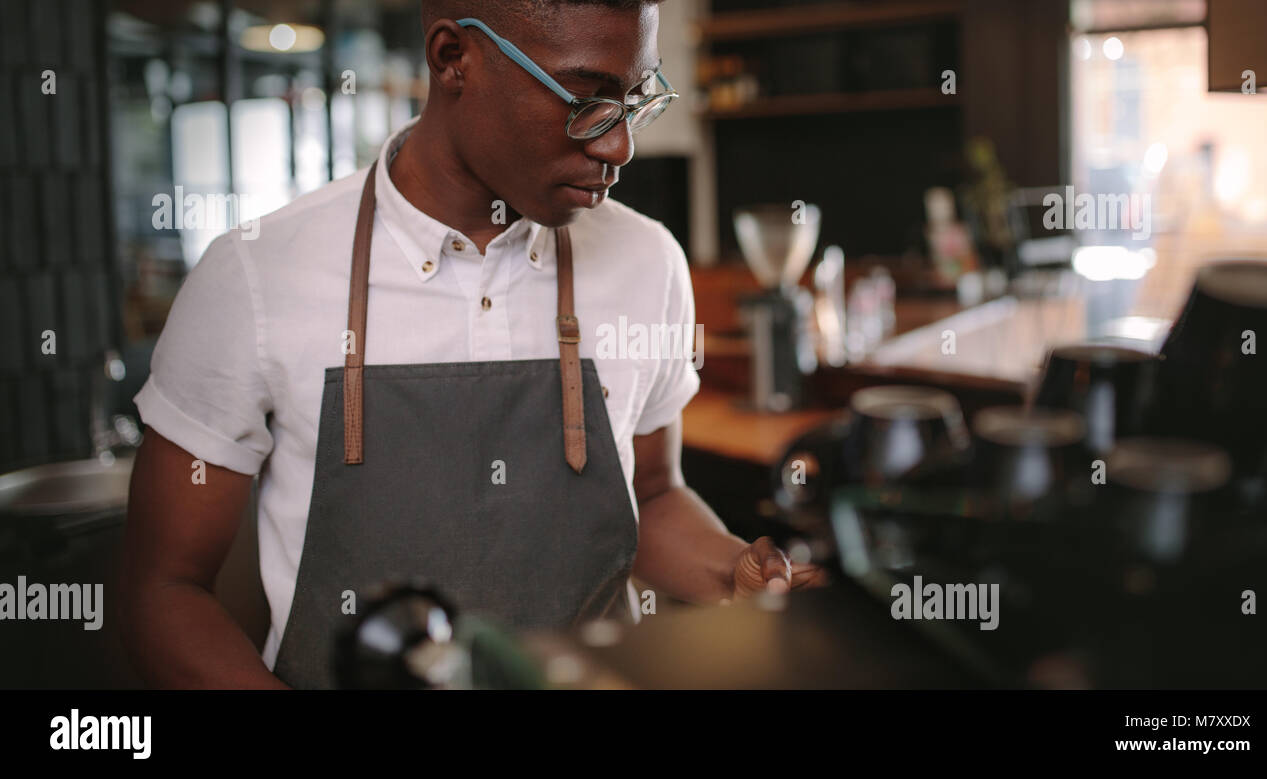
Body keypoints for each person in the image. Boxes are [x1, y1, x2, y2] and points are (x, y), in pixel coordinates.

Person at [121, 0, 824, 690]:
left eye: (634, 99)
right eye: (585, 100)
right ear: (454, 58)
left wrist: (732, 570)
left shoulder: (649, 261)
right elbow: (164, 588)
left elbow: (655, 494)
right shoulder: (256, 272)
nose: (619, 146)